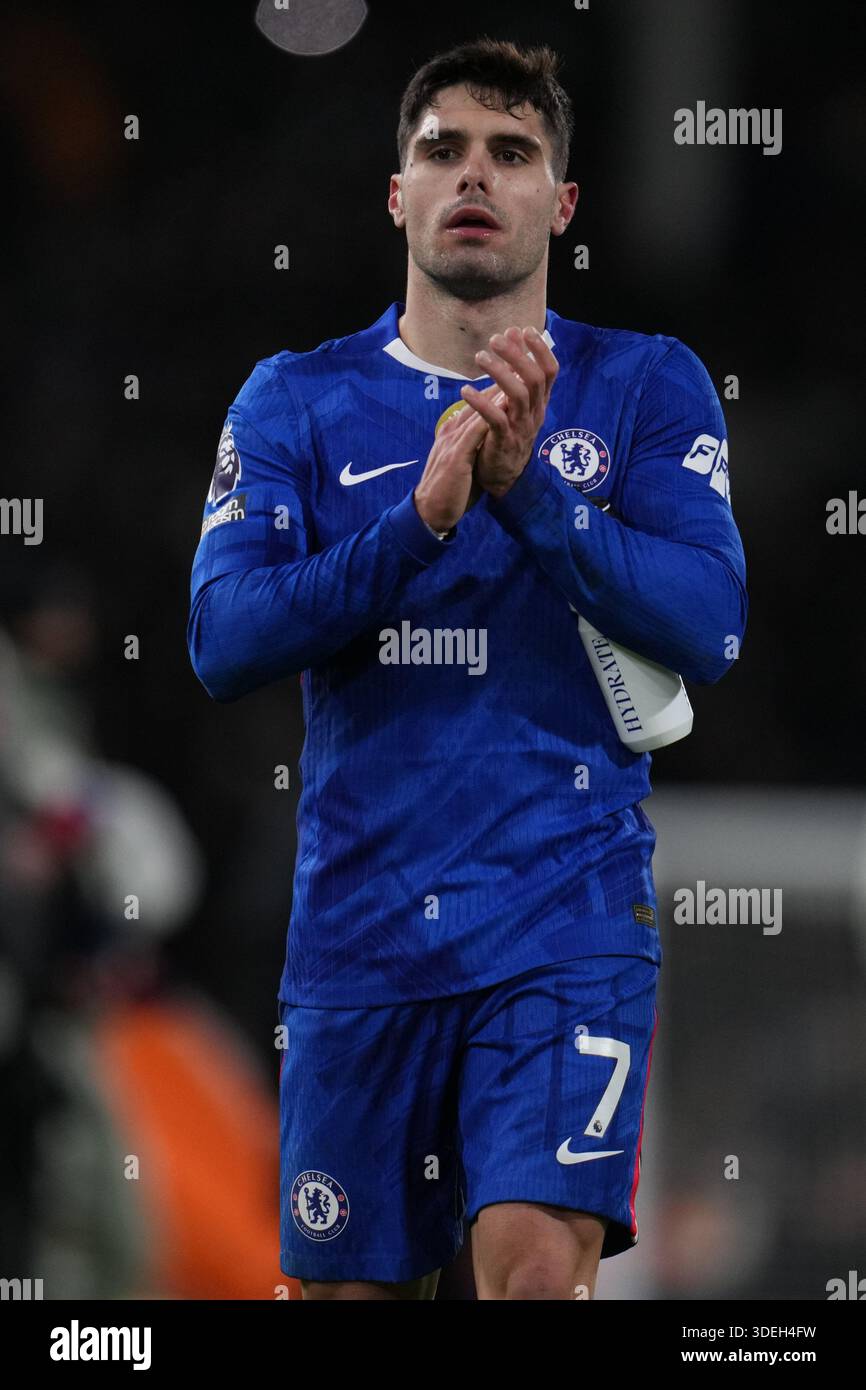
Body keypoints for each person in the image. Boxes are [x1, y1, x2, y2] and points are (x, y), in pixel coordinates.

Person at [187, 36, 747, 1300]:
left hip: (566, 914)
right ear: (398, 195)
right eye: (440, 150)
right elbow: (224, 641)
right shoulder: (296, 401)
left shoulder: (644, 384)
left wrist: (531, 500)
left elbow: (710, 621)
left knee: (532, 1272)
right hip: (359, 935)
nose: (473, 176)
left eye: (512, 152)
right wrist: (420, 522)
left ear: (561, 202)